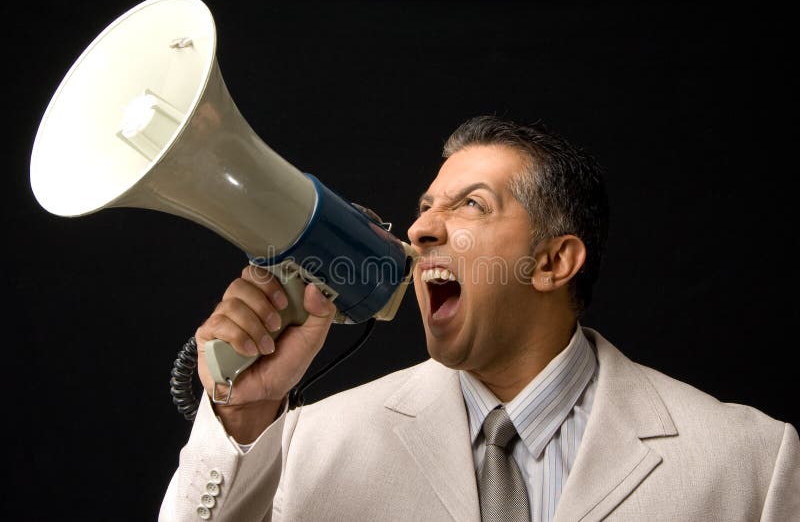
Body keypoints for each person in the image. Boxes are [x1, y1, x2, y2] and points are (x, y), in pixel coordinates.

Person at [159, 116, 799, 521]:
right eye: (424, 206)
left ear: (553, 261)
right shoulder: (308, 444)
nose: (419, 229)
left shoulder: (748, 462)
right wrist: (242, 415)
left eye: (470, 205)